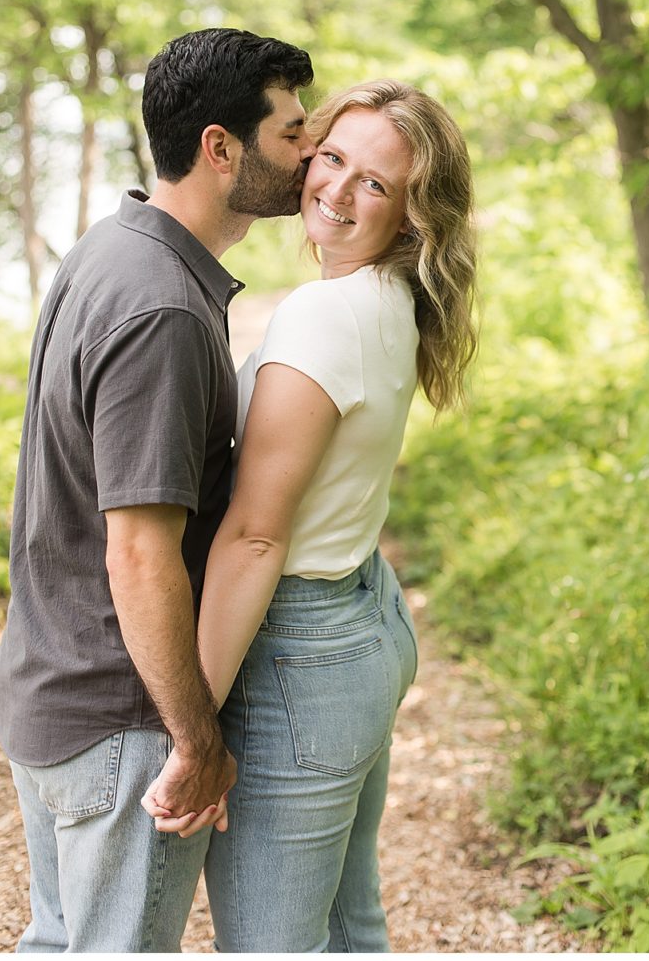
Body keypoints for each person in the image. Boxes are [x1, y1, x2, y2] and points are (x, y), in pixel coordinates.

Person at [0, 28, 317, 951]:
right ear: (222, 147)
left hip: (55, 682)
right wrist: (197, 738)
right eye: (292, 132)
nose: (311, 152)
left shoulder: (114, 247)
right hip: (119, 719)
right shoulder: (163, 306)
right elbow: (137, 551)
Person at [145, 79, 479, 951]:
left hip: (300, 650)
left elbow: (257, 534)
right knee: (346, 926)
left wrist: (194, 733)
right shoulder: (391, 296)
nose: (336, 188)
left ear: (411, 215)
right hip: (361, 617)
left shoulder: (325, 315)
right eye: (332, 157)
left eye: (375, 182)